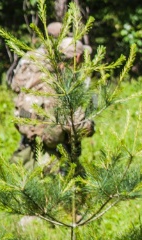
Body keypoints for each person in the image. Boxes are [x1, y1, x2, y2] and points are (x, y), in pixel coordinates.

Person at [9, 22, 93, 171]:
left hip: (28, 121)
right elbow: (74, 123)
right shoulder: (64, 76)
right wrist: (90, 126)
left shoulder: (30, 58)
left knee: (25, 163)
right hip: (53, 139)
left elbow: (15, 85)